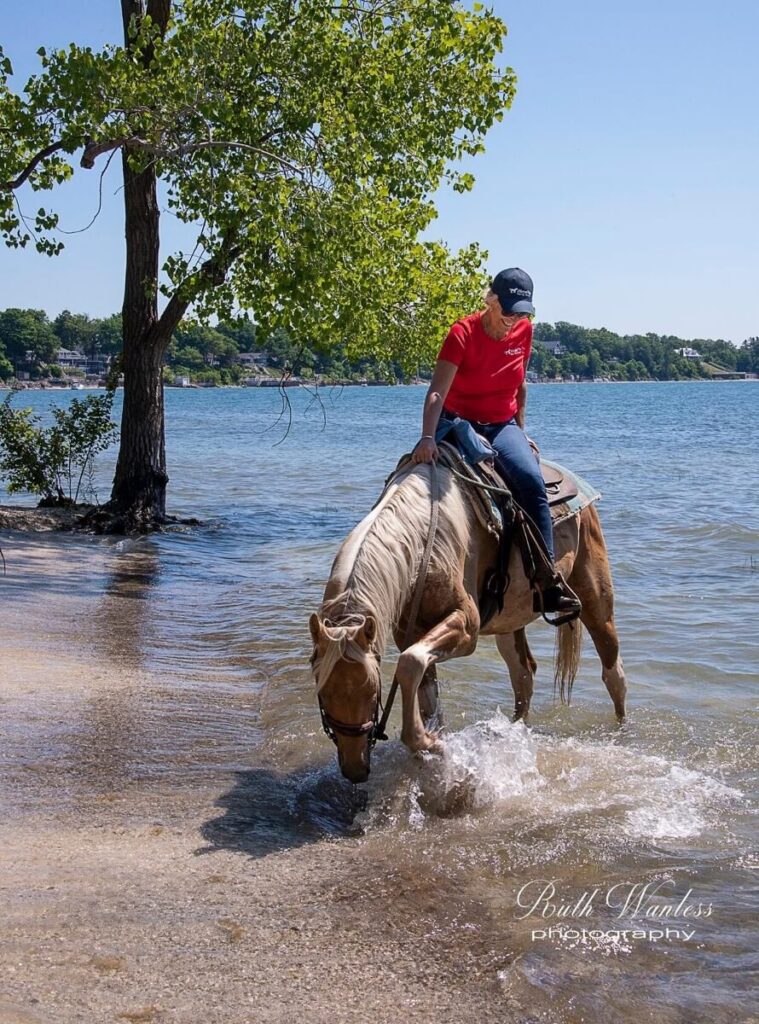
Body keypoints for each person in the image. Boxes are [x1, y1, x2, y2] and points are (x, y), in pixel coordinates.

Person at [411, 267, 581, 617]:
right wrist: (427, 438)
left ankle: (545, 581)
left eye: (521, 312)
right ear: (491, 300)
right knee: (422, 487)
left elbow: (519, 386)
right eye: (508, 310)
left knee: (531, 482)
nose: (513, 319)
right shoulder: (462, 332)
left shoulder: (524, 330)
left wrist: (521, 430)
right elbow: (436, 393)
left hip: (502, 425)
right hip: (459, 423)